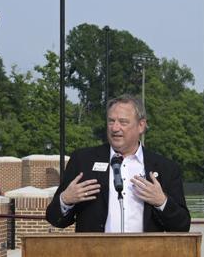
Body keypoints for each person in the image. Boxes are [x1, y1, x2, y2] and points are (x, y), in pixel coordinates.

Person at [47, 95, 190, 233]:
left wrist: (162, 202)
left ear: (141, 125)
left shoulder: (166, 168)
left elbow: (182, 226)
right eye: (111, 121)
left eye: (123, 122)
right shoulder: (83, 161)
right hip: (94, 256)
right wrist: (65, 200)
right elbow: (54, 219)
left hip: (145, 256)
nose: (115, 128)